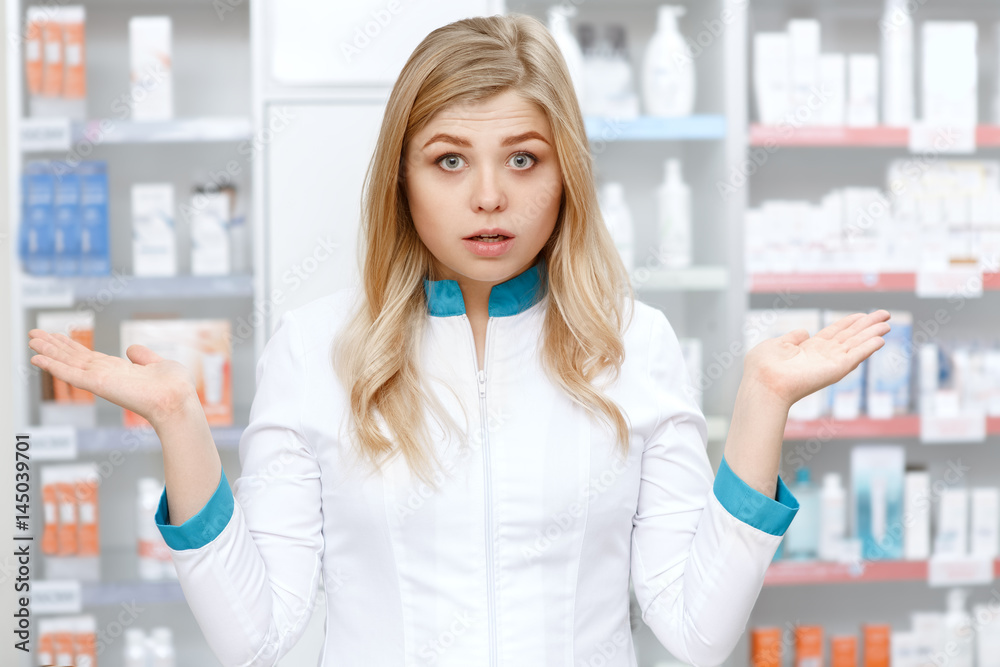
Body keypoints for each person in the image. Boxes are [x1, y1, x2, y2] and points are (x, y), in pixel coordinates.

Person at [26, 13, 890, 667]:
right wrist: (179, 420)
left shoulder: (632, 344)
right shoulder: (317, 347)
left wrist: (762, 402)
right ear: (401, 179)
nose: (488, 197)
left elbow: (696, 631)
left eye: (523, 159)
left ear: (566, 174)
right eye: (448, 160)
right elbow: (255, 633)